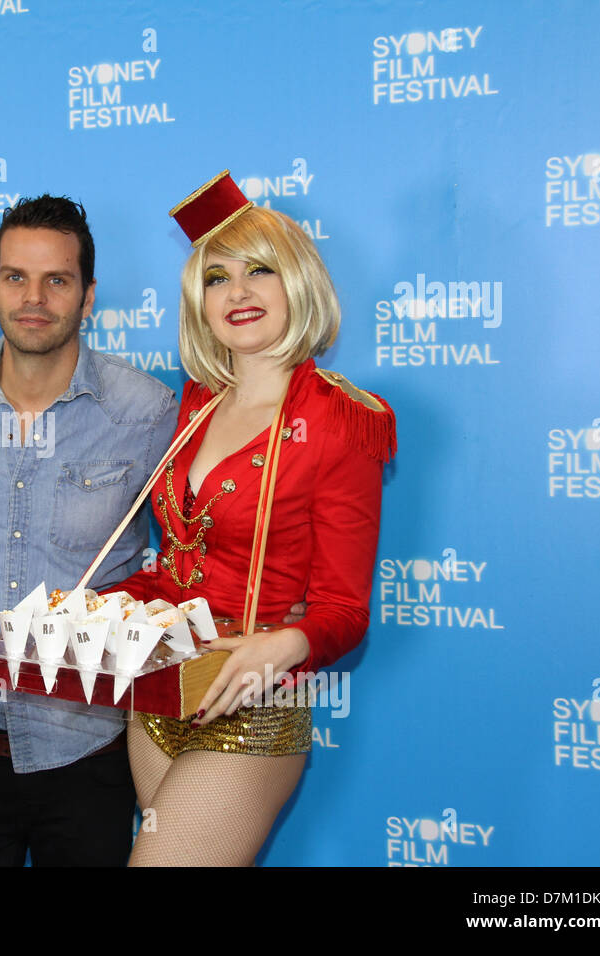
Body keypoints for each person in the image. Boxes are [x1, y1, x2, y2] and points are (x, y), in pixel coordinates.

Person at [116, 171, 396, 866]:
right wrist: (107, 608)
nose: (236, 293)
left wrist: (281, 646)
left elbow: (343, 608)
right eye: (216, 278)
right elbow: (183, 562)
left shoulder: (342, 419)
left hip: (253, 708)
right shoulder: (195, 405)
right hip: (156, 698)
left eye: (258, 271)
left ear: (297, 282)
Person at [0, 195, 180, 866]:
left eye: (57, 280)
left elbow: (183, 565)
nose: (33, 297)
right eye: (15, 277)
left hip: (88, 751)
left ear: (89, 295)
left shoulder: (145, 410)